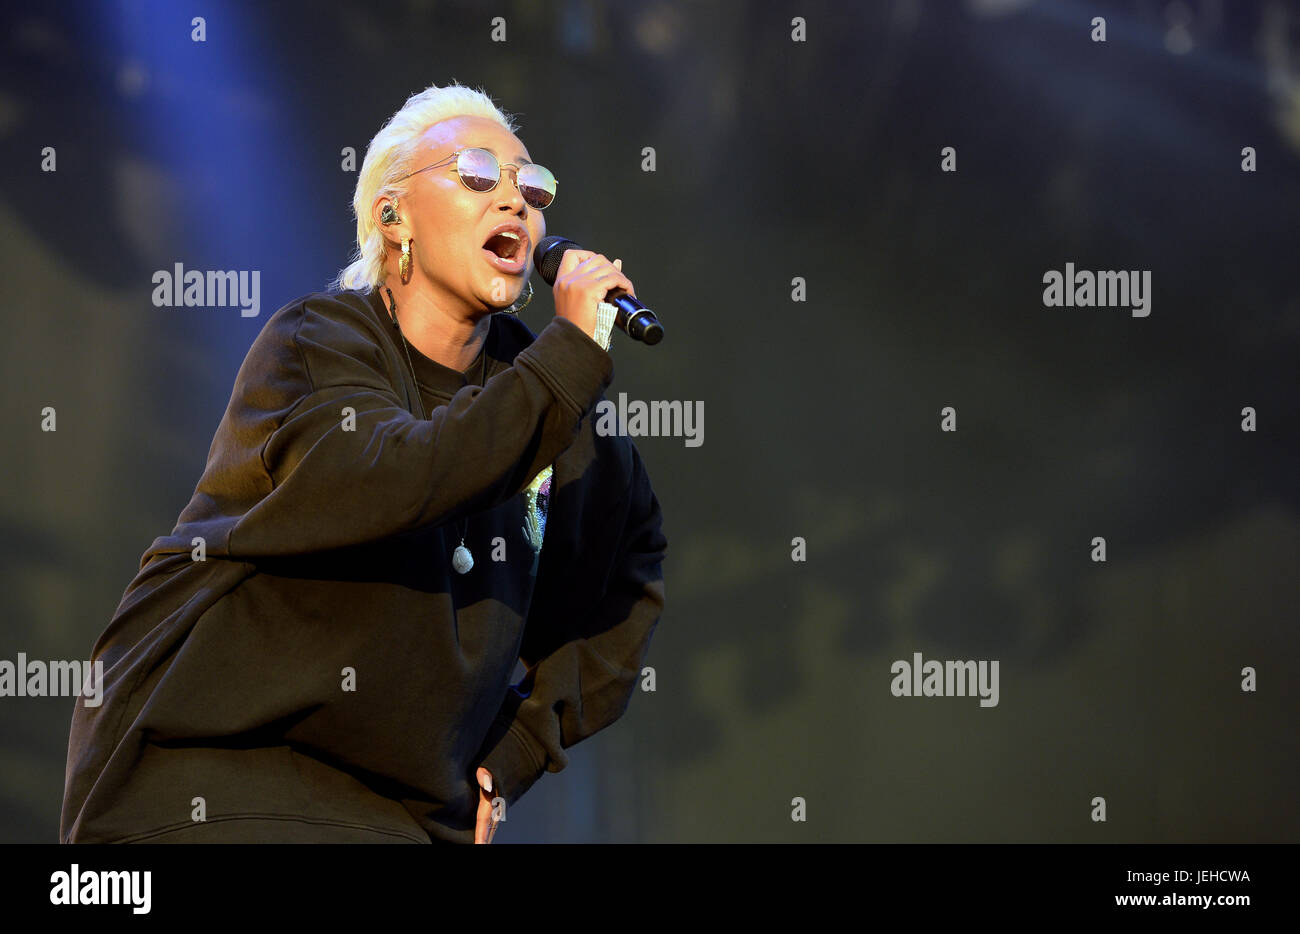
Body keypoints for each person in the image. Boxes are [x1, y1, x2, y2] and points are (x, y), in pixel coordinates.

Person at [59, 81, 667, 844]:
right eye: (477, 173)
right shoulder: (318, 345)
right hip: (214, 775)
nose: (515, 200)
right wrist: (571, 354)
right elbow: (402, 476)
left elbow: (631, 567)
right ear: (392, 214)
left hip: (402, 814)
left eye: (531, 185)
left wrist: (517, 746)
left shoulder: (552, 396)